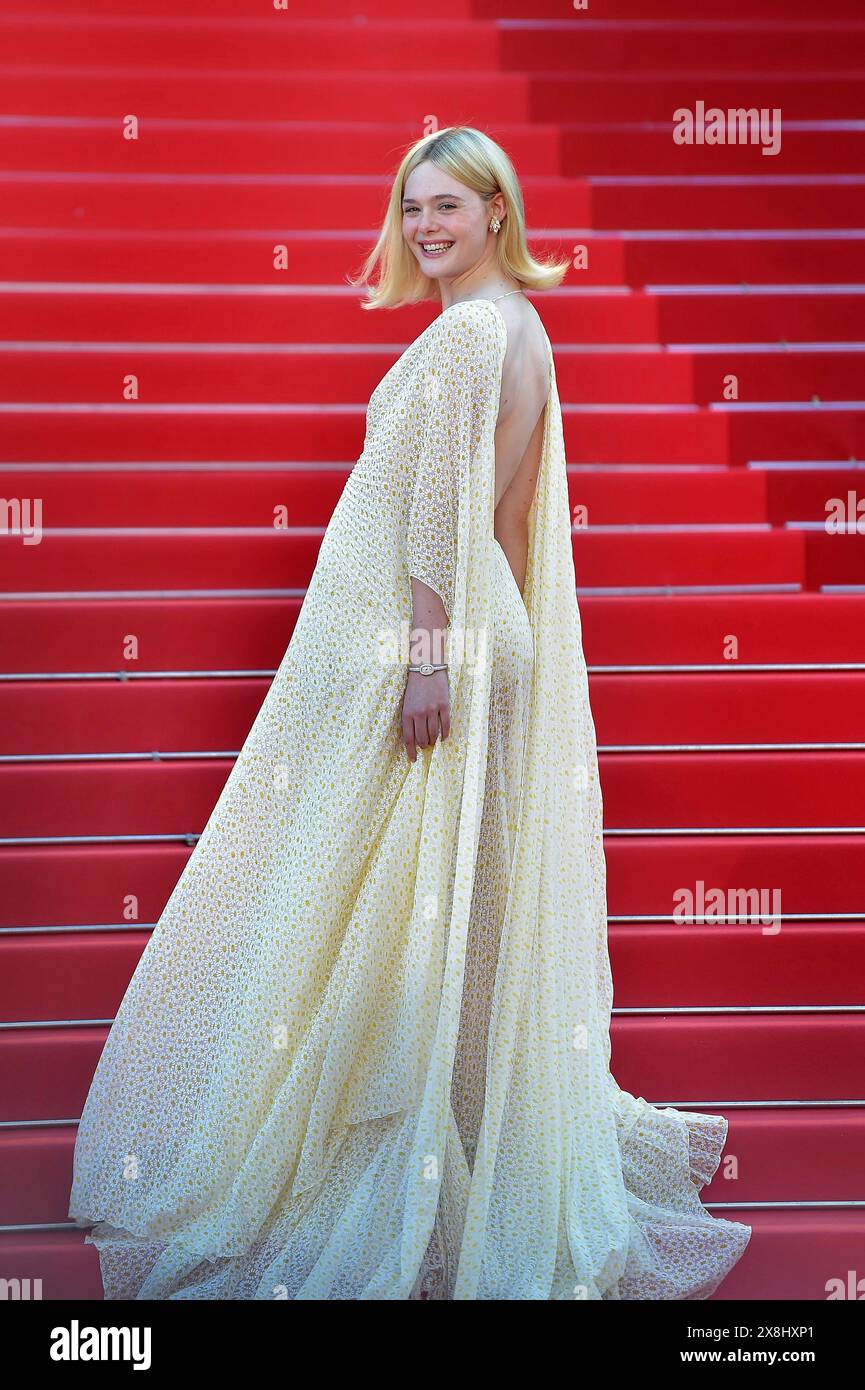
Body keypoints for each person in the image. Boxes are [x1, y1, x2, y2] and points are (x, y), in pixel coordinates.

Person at [69, 125, 751, 1300]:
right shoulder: (521, 331)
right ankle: (460, 1137)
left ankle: (406, 1162)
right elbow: (513, 523)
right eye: (414, 207)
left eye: (450, 205)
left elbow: (442, 517)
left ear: (499, 211)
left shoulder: (470, 335)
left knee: (392, 907)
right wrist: (499, 653)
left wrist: (429, 658)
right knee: (439, 908)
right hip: (488, 639)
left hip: (431, 647)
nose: (428, 226)